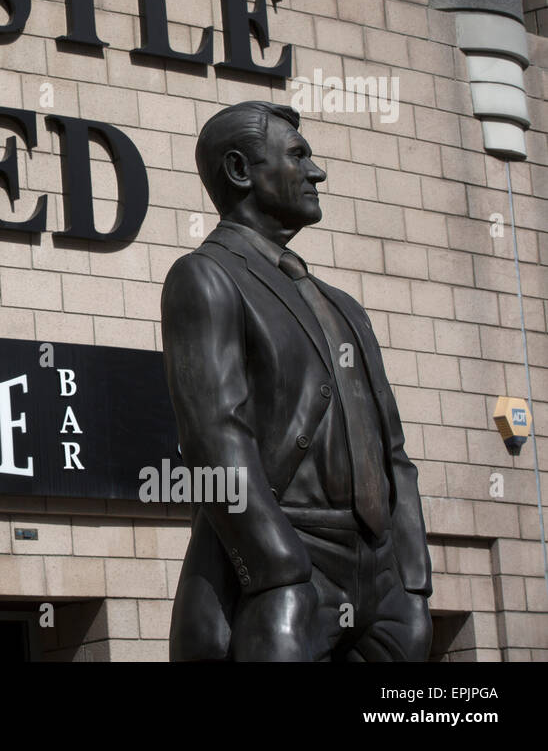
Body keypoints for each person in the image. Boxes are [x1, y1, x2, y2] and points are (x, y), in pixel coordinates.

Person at [161, 100, 432, 661]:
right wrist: (276, 566)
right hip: (293, 564)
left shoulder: (343, 305)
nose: (317, 171)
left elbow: (394, 450)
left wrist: (411, 579)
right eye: (298, 156)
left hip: (383, 581)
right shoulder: (206, 276)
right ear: (240, 171)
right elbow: (214, 437)